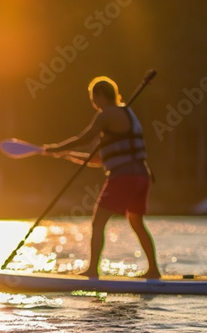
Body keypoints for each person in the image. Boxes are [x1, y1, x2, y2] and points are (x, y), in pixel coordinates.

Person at [42, 76, 160, 279]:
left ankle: (92, 271)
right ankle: (154, 271)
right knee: (137, 223)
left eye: (92, 97)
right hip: (141, 176)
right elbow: (97, 159)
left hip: (124, 177)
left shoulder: (107, 114)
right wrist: (68, 155)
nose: (93, 102)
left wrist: (54, 148)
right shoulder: (125, 114)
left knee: (98, 222)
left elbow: (85, 138)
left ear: (99, 95)